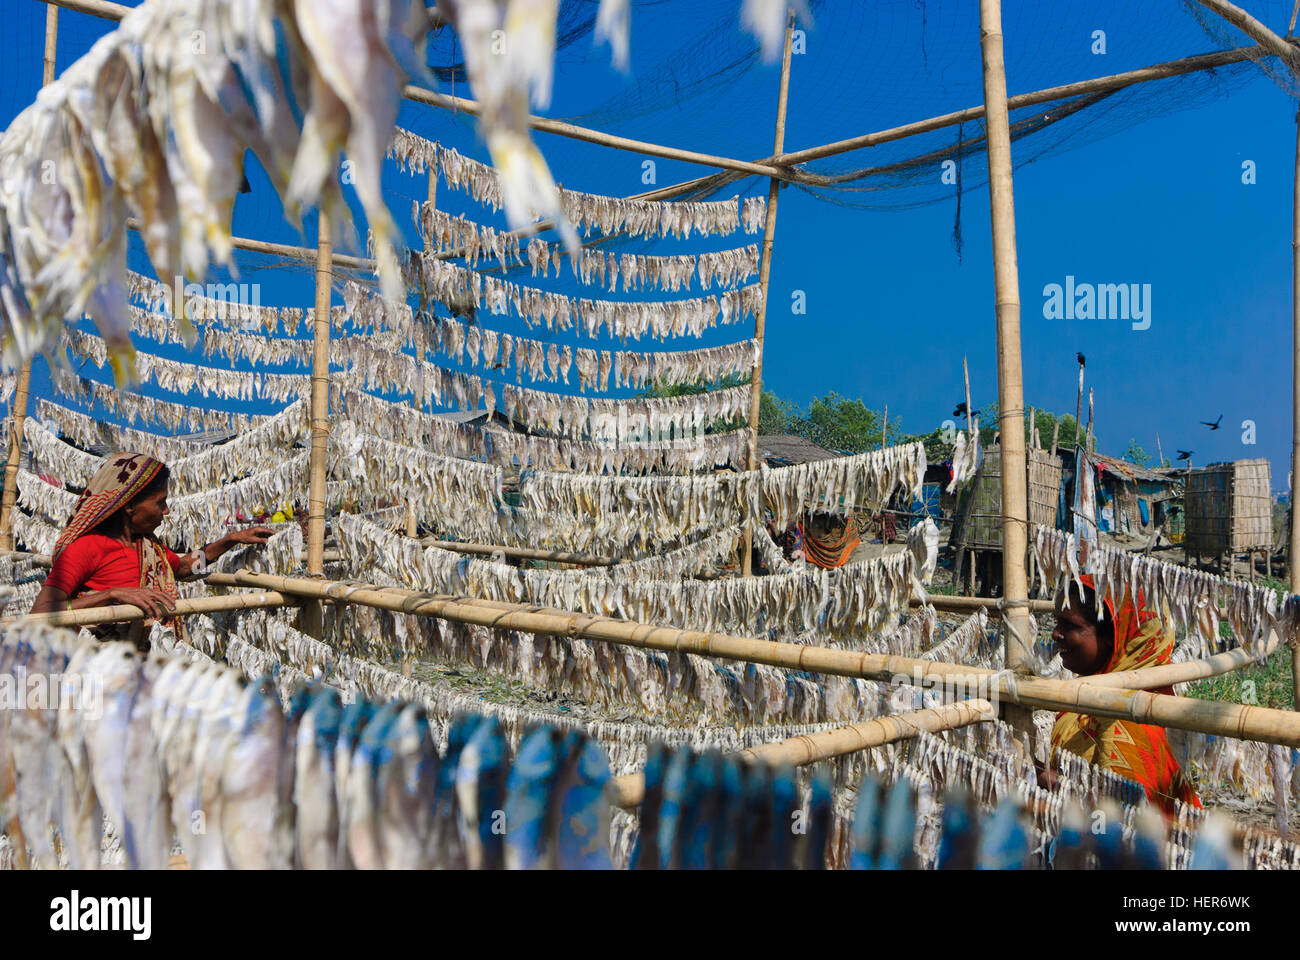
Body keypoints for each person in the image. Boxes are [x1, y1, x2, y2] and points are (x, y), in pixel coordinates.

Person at [29, 452, 275, 648]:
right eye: (160, 502)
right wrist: (110, 596)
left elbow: (185, 567)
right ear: (130, 506)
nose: (166, 511)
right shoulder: (87, 548)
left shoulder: (149, 545)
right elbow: (40, 613)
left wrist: (232, 540)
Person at [1045, 574, 1201, 814]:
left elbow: (1118, 816)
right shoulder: (1093, 696)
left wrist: (1044, 779)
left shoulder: (1128, 719)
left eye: (1071, 625)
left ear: (1115, 638)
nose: (1056, 634)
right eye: (1057, 622)